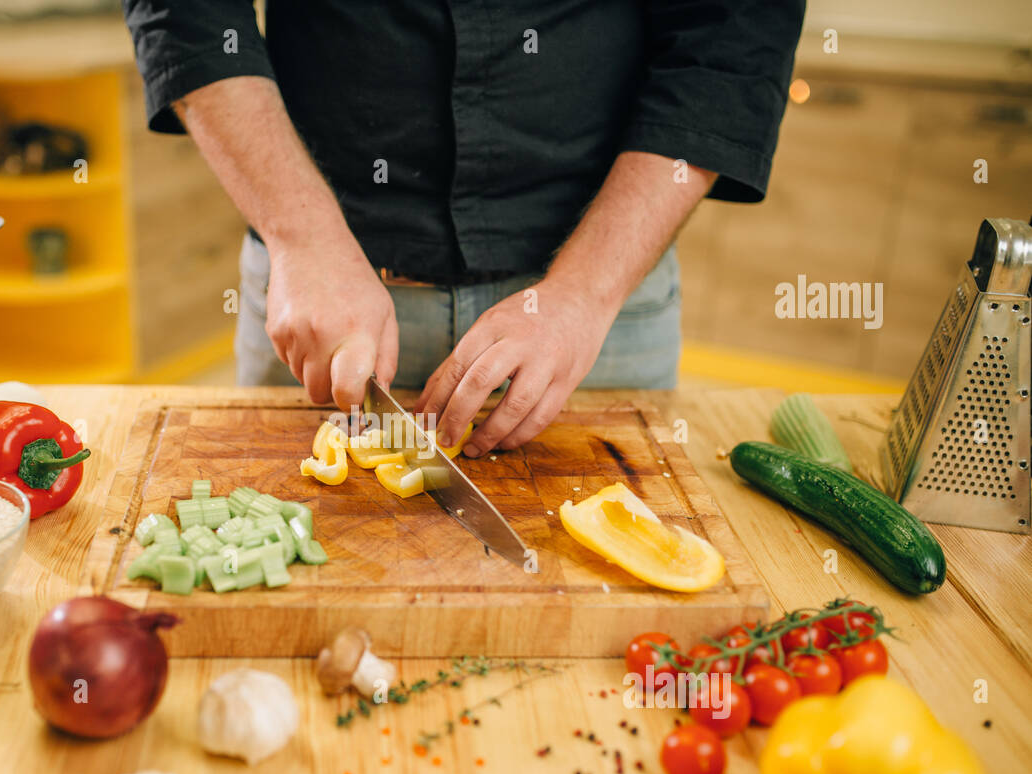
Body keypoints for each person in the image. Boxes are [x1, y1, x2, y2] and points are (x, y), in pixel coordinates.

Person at [124, 1, 805, 456]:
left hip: (602, 315)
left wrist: (584, 295)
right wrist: (301, 236)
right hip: (325, 307)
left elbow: (735, 35)